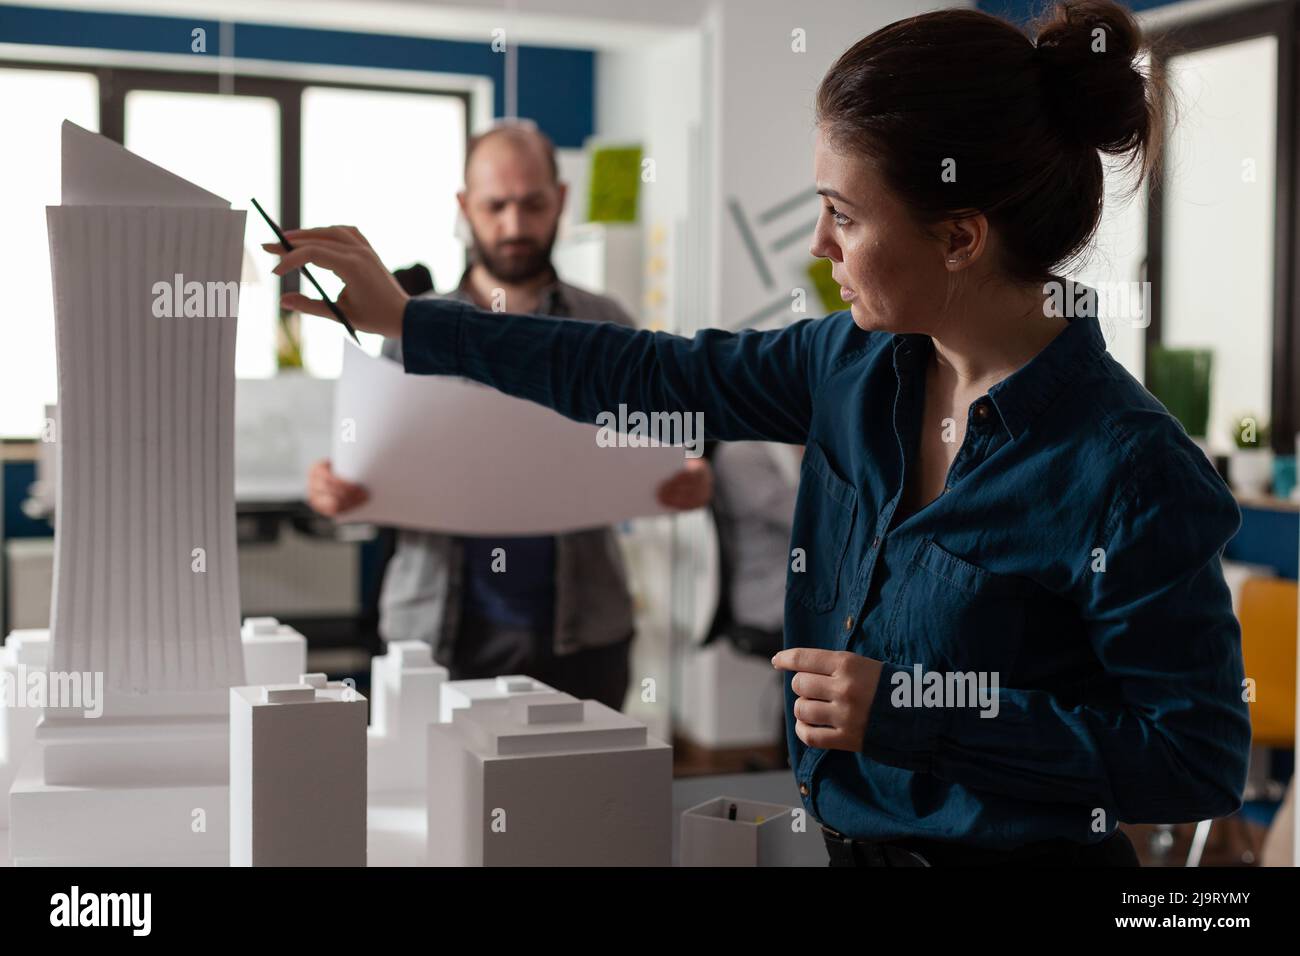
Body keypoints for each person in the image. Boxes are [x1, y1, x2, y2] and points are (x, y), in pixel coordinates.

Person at [267, 0, 1251, 866]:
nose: (820, 248)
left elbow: (1193, 757)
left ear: (958, 236)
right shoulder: (847, 367)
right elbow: (646, 370)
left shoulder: (1126, 466)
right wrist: (407, 320)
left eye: (841, 215)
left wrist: (920, 710)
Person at [306, 123, 713, 712]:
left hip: (584, 635)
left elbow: (660, 438)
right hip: (437, 635)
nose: (515, 226)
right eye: (496, 206)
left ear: (561, 201)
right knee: (435, 800)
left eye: (533, 204)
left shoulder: (606, 320)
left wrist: (691, 476)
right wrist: (336, 489)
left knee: (586, 799)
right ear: (464, 207)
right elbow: (368, 461)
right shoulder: (408, 327)